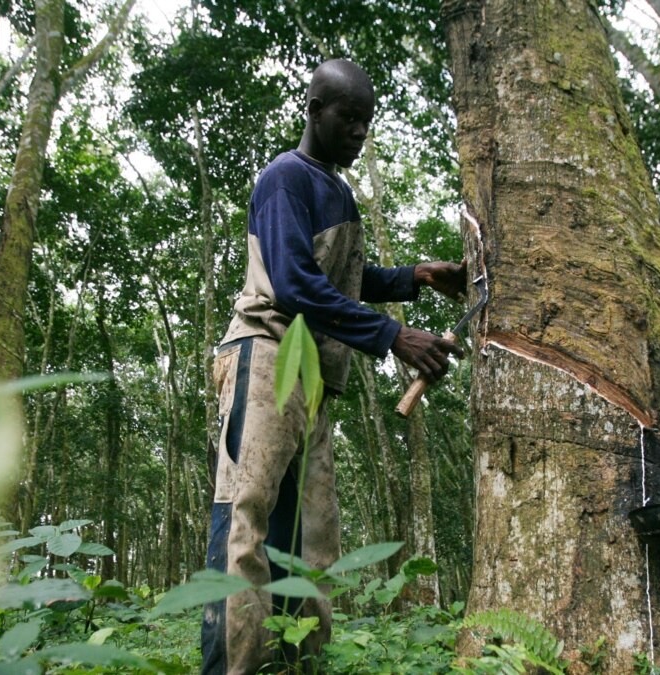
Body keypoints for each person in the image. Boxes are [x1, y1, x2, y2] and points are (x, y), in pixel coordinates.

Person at [200, 58, 465, 674]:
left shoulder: (337, 188)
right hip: (265, 356)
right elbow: (292, 283)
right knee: (247, 521)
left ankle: (297, 666)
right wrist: (391, 337)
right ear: (315, 109)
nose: (359, 132)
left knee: (312, 539)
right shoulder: (284, 178)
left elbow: (340, 278)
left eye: (367, 122)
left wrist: (416, 276)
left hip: (313, 378)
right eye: (349, 117)